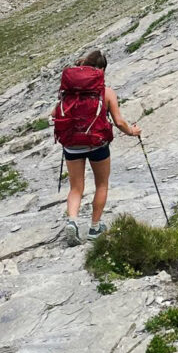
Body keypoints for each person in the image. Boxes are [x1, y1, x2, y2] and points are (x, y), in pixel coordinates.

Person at [52, 48, 141, 244]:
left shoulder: (68, 92)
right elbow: (118, 122)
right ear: (100, 70)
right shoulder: (106, 92)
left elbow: (54, 114)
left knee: (76, 187)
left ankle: (73, 221)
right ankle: (94, 228)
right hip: (97, 144)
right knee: (101, 184)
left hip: (72, 145)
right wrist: (132, 132)